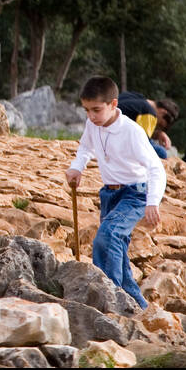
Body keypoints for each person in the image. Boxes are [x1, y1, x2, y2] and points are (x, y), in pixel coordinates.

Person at [66, 75, 166, 309]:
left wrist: (153, 202)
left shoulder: (132, 132)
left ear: (113, 104)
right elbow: (85, 146)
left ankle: (108, 297)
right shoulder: (93, 124)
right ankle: (138, 306)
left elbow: (156, 168)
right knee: (117, 250)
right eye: (86, 110)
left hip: (135, 194)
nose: (91, 116)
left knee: (107, 236)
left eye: (96, 110)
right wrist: (76, 167)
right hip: (109, 195)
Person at [117, 90, 172, 158]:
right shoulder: (149, 112)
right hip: (116, 138)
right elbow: (143, 143)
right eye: (159, 124)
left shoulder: (136, 97)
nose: (155, 126)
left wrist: (157, 134)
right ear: (163, 112)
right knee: (162, 152)